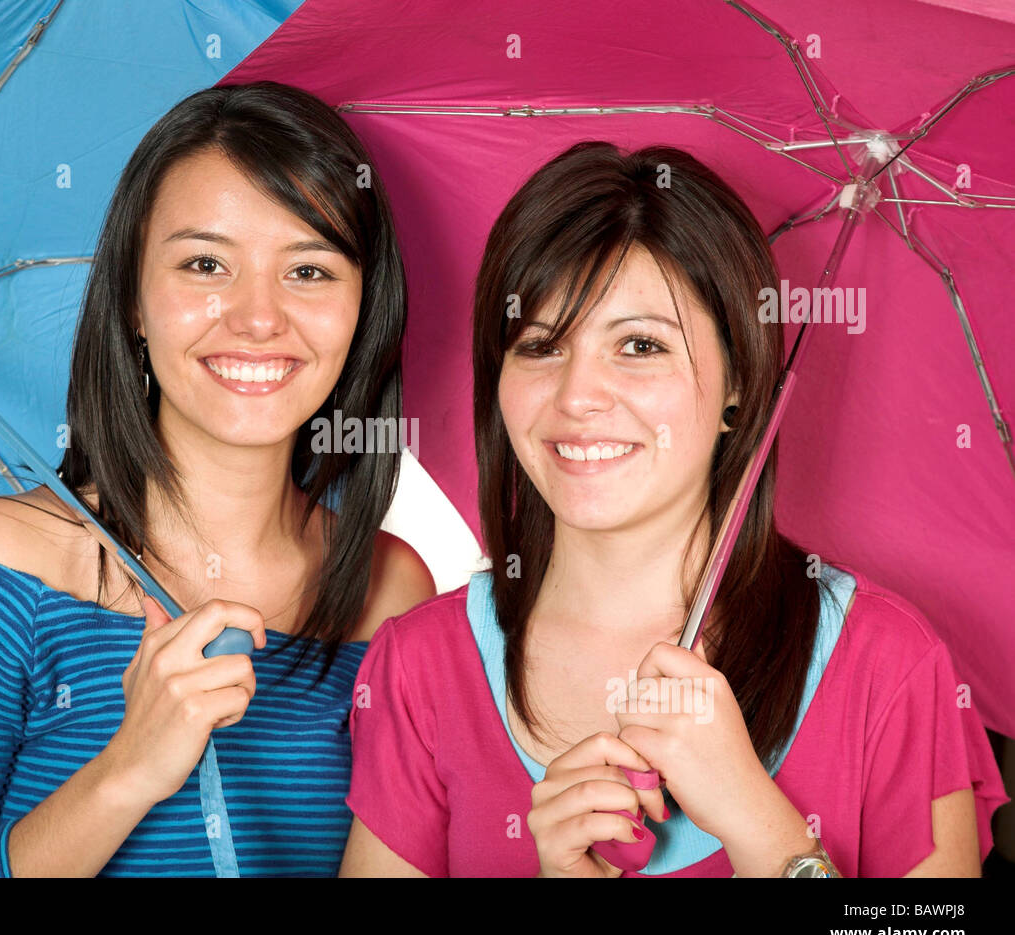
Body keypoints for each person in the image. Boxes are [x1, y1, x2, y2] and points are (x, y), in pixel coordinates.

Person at [339, 141, 1008, 877]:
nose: (577, 397)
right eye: (540, 347)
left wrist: (761, 823)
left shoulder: (889, 663)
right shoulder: (420, 666)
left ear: (739, 384)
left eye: (639, 345)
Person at [0, 81, 434, 877]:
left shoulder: (390, 592)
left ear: (364, 304)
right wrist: (128, 772)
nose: (259, 317)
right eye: (204, 263)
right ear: (131, 298)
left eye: (310, 271)